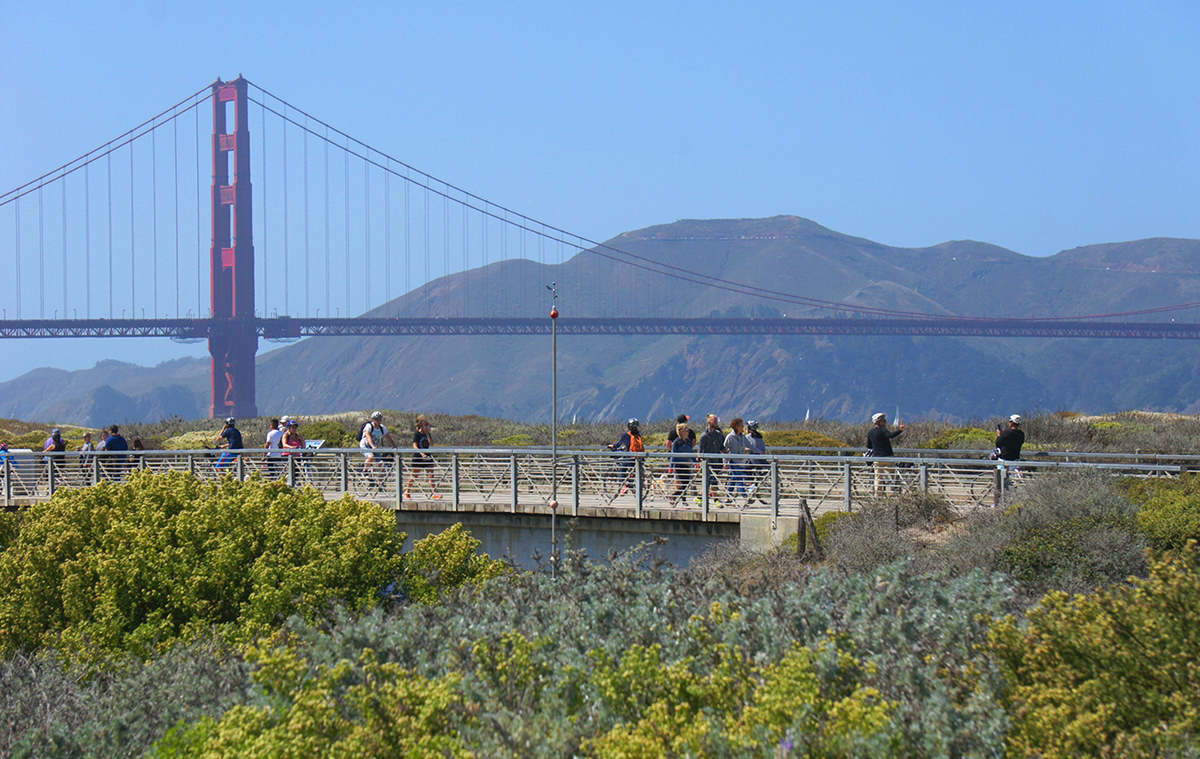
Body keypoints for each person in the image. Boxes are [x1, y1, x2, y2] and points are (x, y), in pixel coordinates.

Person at [866, 412, 906, 496]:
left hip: (877, 458)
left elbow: (869, 446)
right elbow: (890, 435)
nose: (885, 422)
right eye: (883, 421)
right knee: (893, 475)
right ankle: (897, 492)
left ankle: (878, 496)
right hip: (888, 456)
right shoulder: (882, 430)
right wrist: (900, 430)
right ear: (878, 422)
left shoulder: (870, 432)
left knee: (878, 478)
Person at [405, 415, 440, 499]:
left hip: (427, 457)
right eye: (426, 425)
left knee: (431, 474)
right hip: (419, 457)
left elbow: (431, 444)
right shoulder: (417, 434)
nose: (428, 427)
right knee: (415, 475)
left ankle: (434, 492)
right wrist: (421, 453)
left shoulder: (428, 434)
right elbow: (415, 445)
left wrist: (428, 434)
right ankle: (407, 491)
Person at [607, 418, 644, 495]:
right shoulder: (638, 435)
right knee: (633, 470)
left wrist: (612, 446)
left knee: (622, 468)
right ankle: (631, 483)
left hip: (630, 457)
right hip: (639, 457)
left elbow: (618, 444)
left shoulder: (626, 435)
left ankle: (624, 485)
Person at [697, 414, 727, 505]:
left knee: (712, 481)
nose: (716, 423)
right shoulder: (704, 436)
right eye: (714, 421)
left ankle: (700, 497)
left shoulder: (718, 434)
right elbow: (700, 451)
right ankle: (715, 500)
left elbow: (721, 447)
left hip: (716, 462)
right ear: (709, 422)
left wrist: (727, 453)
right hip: (708, 463)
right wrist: (699, 462)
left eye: (717, 421)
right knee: (711, 480)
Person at [360, 411, 398, 476]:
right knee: (371, 457)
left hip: (375, 448)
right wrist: (373, 445)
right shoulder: (369, 426)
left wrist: (394, 447)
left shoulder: (382, 428)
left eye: (380, 419)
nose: (379, 421)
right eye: (377, 419)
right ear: (373, 419)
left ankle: (379, 483)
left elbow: (388, 437)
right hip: (365, 446)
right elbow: (368, 436)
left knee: (382, 464)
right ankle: (365, 471)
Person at [995, 414, 1026, 491]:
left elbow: (998, 443)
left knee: (1000, 481)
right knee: (1013, 481)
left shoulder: (1006, 433)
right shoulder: (1021, 434)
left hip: (1004, 459)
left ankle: (999, 499)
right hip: (1015, 460)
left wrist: (999, 435)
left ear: (1011, 423)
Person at [723, 418, 751, 499]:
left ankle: (728, 496)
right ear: (737, 426)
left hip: (741, 461)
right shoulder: (730, 437)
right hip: (733, 461)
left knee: (734, 478)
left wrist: (760, 452)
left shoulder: (742, 437)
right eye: (741, 426)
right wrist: (725, 463)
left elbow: (749, 445)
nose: (743, 427)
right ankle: (745, 496)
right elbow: (724, 449)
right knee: (739, 478)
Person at [670, 420, 695, 506]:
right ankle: (683, 501)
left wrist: (695, 461)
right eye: (686, 429)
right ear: (681, 431)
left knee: (687, 483)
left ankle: (675, 496)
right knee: (684, 483)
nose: (688, 431)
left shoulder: (688, 441)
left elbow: (691, 452)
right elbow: (673, 454)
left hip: (686, 464)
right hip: (679, 465)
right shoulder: (676, 442)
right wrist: (671, 465)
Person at [744, 420, 768, 502]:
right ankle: (752, 488)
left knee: (744, 471)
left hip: (753, 459)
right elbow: (762, 449)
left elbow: (746, 446)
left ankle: (751, 486)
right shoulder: (760, 437)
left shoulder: (748, 437)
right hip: (761, 460)